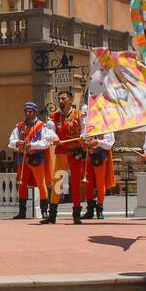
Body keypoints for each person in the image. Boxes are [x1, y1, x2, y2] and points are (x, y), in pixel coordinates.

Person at [9, 101, 58, 223]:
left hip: (36, 158)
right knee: (22, 184)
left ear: (35, 112)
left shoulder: (42, 126)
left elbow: (46, 143)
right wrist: (17, 143)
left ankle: (44, 211)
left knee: (41, 184)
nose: (28, 113)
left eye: (30, 111)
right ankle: (22, 212)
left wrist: (32, 145)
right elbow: (11, 141)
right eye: (26, 111)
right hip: (22, 158)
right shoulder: (19, 126)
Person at [48, 90, 85, 225]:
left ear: (70, 100)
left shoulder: (79, 114)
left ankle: (76, 214)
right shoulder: (54, 117)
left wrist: (83, 137)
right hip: (61, 152)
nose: (61, 101)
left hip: (75, 152)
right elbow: (49, 132)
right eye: (59, 99)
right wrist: (54, 138)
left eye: (63, 98)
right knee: (57, 182)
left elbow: (84, 130)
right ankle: (52, 215)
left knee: (75, 183)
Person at [82, 128, 115, 219]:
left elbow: (109, 144)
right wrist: (84, 140)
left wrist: (97, 142)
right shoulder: (89, 125)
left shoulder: (106, 126)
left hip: (100, 157)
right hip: (89, 155)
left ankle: (99, 208)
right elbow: (82, 135)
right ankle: (90, 209)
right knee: (88, 183)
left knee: (101, 183)